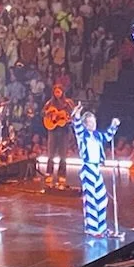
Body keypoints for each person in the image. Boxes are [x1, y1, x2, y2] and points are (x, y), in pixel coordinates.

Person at [73, 106, 120, 238]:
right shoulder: (83, 135)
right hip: (87, 168)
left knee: (101, 198)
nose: (93, 124)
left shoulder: (98, 135)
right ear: (85, 123)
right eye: (90, 122)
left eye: (94, 121)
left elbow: (108, 136)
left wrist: (114, 125)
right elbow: (77, 126)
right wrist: (77, 115)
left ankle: (101, 227)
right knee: (91, 199)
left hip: (96, 168)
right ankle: (92, 228)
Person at [43, 83, 74, 189]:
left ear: (62, 92)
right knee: (51, 154)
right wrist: (50, 113)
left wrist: (68, 119)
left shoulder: (68, 103)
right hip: (53, 130)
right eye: (55, 92)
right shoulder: (49, 103)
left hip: (64, 131)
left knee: (63, 155)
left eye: (59, 91)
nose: (57, 94)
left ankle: (62, 175)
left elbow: (72, 116)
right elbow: (43, 113)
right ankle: (49, 174)